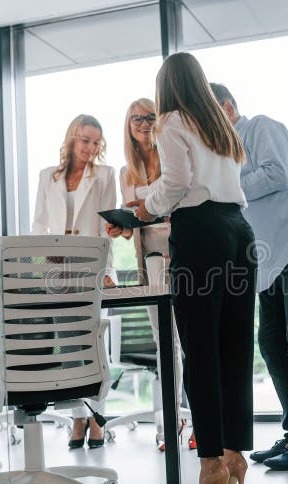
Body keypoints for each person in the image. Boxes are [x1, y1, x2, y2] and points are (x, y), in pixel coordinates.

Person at [131, 52, 256, 484]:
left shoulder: (171, 122)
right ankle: (234, 454)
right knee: (236, 347)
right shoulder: (220, 125)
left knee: (200, 351)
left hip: (201, 234)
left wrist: (144, 209)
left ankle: (209, 467)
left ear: (166, 86)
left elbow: (178, 182)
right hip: (240, 231)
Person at [210, 83, 288, 471]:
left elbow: (277, 174)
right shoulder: (225, 158)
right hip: (270, 259)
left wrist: (222, 192)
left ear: (229, 108)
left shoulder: (261, 128)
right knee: (271, 345)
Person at [106, 98, 195, 452]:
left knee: (191, 341)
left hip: (182, 251)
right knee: (166, 344)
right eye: (136, 118)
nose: (143, 123)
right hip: (149, 259)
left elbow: (180, 199)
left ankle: (200, 420)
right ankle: (171, 420)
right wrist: (121, 228)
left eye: (149, 117)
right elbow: (137, 220)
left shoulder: (171, 155)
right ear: (128, 125)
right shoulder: (125, 172)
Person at [32, 113, 117, 449]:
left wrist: (107, 271)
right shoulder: (47, 177)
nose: (91, 148)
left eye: (96, 142)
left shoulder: (105, 176)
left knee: (92, 344)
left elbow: (106, 230)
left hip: (88, 267)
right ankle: (77, 419)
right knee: (68, 345)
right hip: (55, 270)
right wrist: (41, 259)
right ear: (71, 138)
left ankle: (97, 417)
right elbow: (38, 224)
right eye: (85, 140)